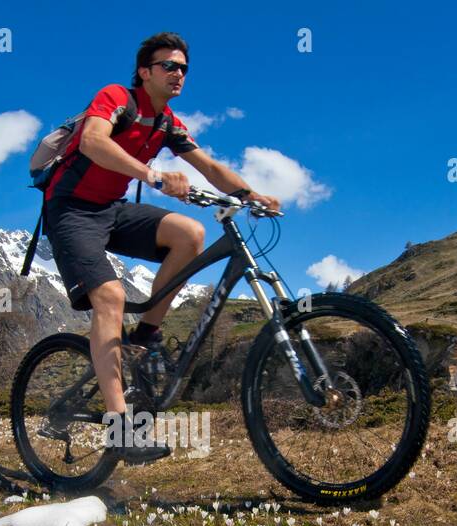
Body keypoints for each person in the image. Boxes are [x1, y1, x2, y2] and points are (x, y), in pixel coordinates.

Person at [41, 31, 280, 463]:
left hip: (111, 211)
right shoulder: (117, 97)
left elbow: (206, 165)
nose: (179, 74)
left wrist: (250, 195)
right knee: (110, 295)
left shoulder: (168, 121)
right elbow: (94, 141)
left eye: (184, 68)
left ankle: (145, 337)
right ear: (144, 72)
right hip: (71, 211)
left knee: (190, 234)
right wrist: (153, 178)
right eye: (169, 66)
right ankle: (119, 429)